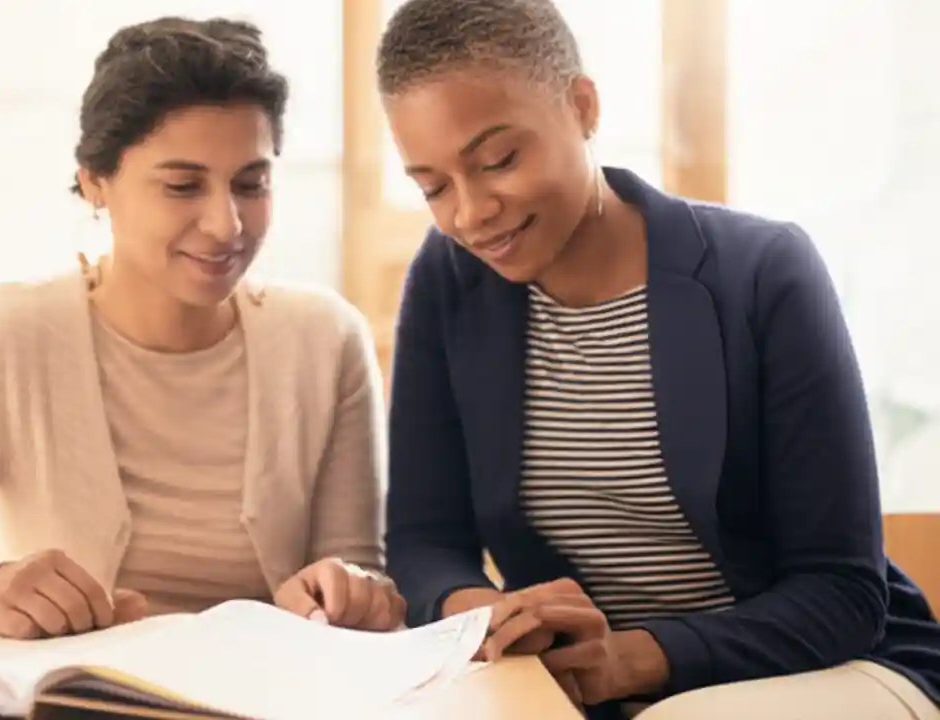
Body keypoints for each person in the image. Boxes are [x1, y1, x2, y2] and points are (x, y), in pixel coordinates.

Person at [375, 1, 940, 718]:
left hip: (832, 667)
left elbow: (841, 592)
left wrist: (635, 657)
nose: (469, 212)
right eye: (432, 187)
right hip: (591, 691)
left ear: (582, 105)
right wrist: (485, 615)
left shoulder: (764, 272)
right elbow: (427, 540)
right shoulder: (448, 281)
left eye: (498, 161)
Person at [0, 17, 404, 641]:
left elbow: (358, 581)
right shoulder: (11, 337)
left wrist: (352, 595)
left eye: (250, 184)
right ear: (95, 182)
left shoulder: (325, 340)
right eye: (182, 186)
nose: (225, 225)